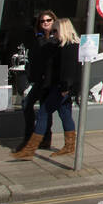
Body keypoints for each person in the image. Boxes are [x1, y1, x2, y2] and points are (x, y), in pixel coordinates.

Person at [11, 17, 81, 159]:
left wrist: (66, 87)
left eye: (56, 30)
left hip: (62, 88)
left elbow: (70, 70)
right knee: (65, 113)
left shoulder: (69, 46)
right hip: (61, 86)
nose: (53, 33)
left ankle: (30, 149)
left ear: (63, 30)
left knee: (43, 113)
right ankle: (69, 146)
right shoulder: (62, 45)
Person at [20, 10, 57, 150]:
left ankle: (43, 138)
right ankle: (33, 136)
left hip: (49, 80)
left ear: (54, 22)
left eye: (48, 20)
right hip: (38, 79)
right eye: (43, 21)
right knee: (27, 105)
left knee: (45, 109)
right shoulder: (38, 38)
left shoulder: (55, 39)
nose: (45, 23)